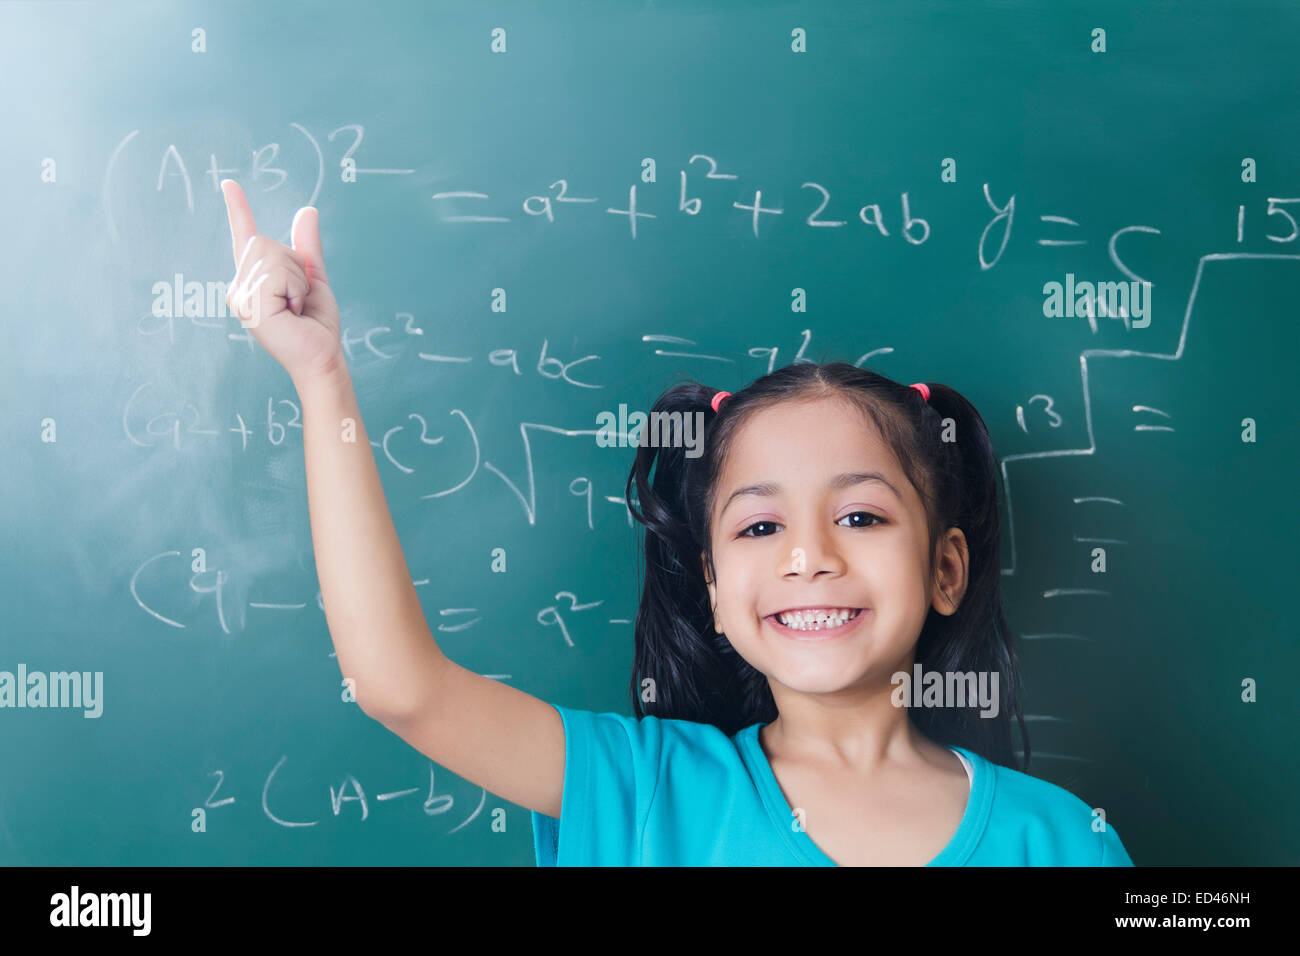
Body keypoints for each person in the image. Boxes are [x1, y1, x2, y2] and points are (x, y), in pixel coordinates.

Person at [219, 181, 1135, 866]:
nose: (810, 557)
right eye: (758, 529)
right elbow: (398, 686)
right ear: (712, 586)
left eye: (858, 515)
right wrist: (322, 379)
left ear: (946, 569)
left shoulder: (1060, 841)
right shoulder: (645, 791)